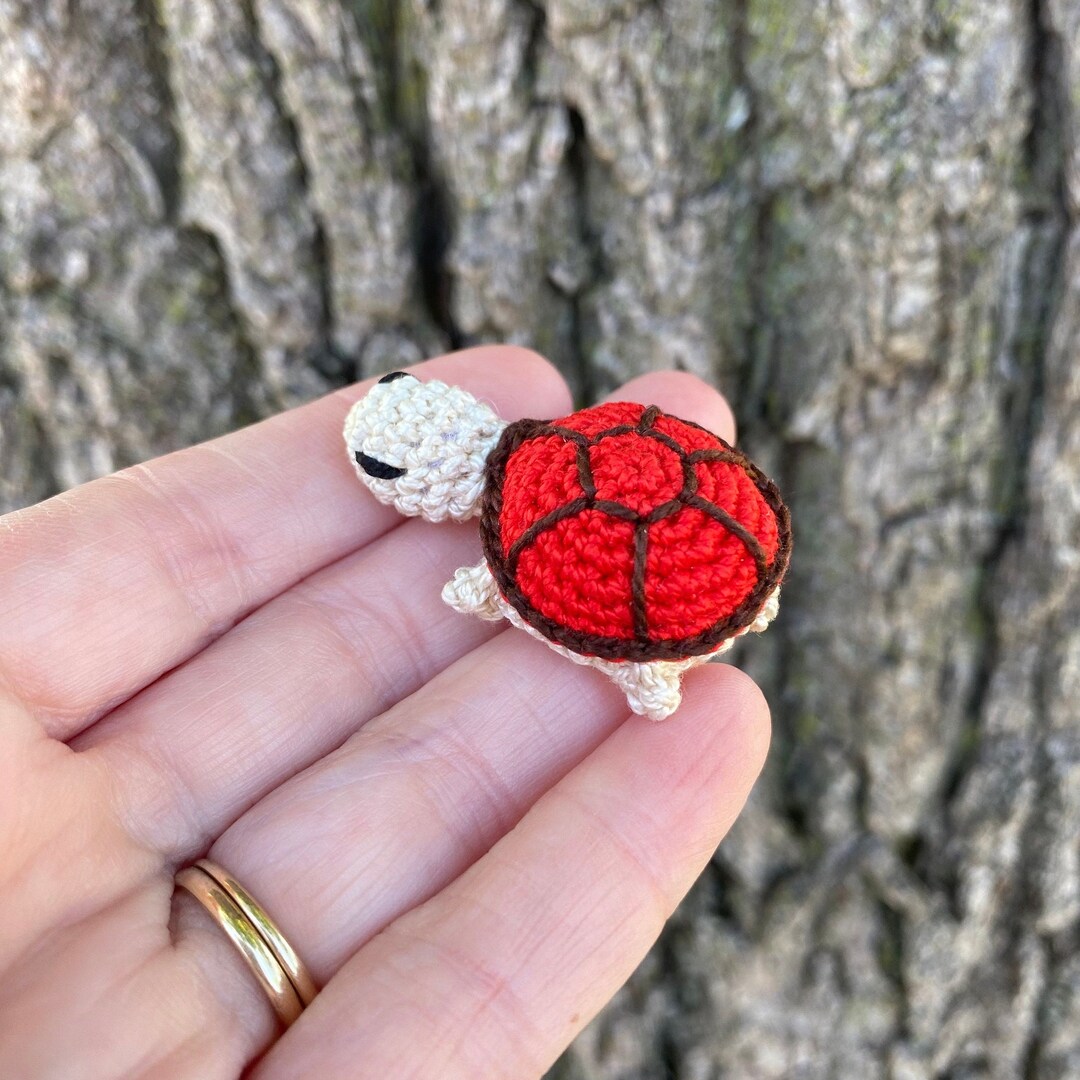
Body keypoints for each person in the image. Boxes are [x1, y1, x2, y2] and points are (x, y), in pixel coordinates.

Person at [0, 346, 769, 1078]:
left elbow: (511, 583)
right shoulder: (576, 446)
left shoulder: (527, 536)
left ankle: (648, 672)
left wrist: (501, 594)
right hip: (730, 522)